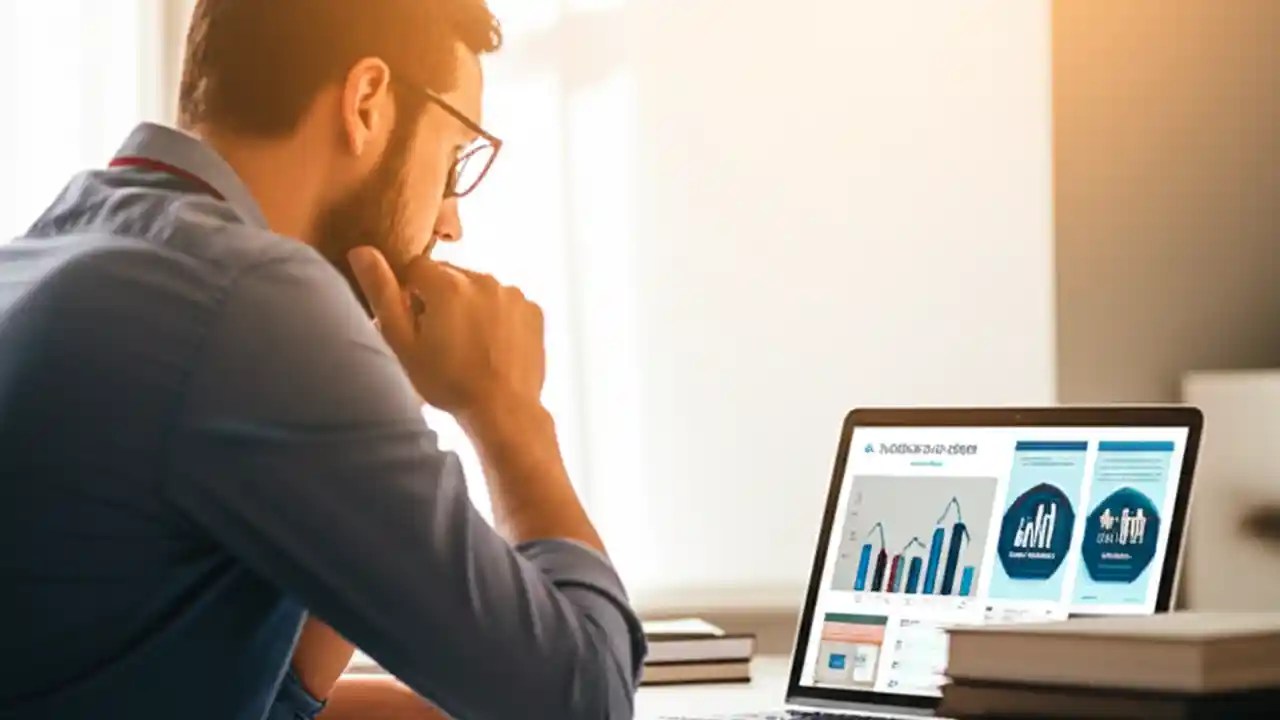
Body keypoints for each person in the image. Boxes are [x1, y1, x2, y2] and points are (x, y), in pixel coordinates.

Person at [0, 1, 645, 718]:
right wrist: (508, 412)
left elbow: (262, 700)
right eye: (454, 157)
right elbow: (585, 703)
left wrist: (372, 407)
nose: (450, 220)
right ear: (367, 102)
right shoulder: (247, 298)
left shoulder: (63, 248)